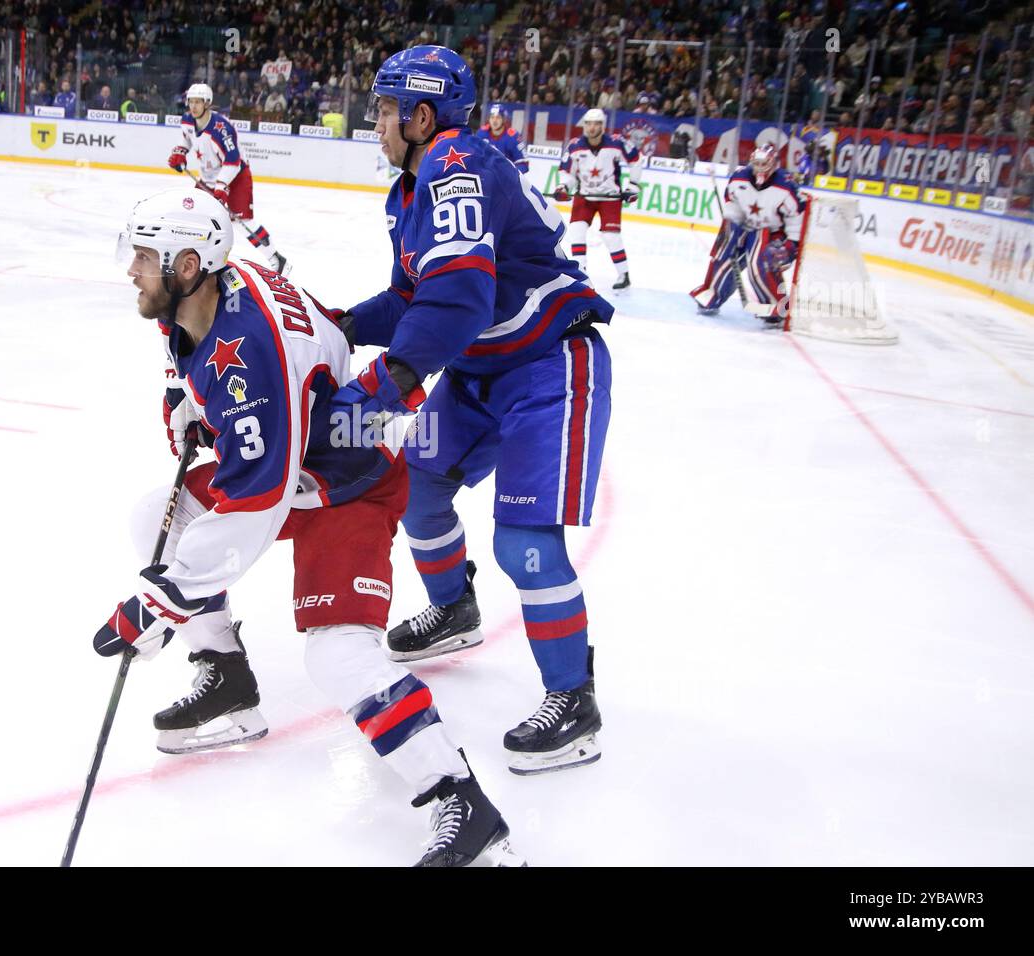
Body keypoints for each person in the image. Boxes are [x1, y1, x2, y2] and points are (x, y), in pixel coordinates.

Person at [95, 186, 522, 867]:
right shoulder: (214, 289)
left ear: (184, 266)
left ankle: (461, 802)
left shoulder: (250, 354)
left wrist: (158, 604)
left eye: (143, 257)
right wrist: (188, 399)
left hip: (350, 487)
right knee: (159, 515)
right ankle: (228, 678)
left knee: (337, 655)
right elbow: (220, 373)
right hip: (297, 462)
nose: (131, 270)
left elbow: (254, 504)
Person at [332, 45, 613, 777]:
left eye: (389, 109)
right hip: (482, 369)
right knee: (420, 488)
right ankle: (454, 611)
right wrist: (341, 323)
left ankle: (573, 701)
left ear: (424, 116)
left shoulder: (456, 164)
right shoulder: (414, 185)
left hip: (547, 366)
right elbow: (411, 299)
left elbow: (457, 299)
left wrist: (382, 385)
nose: (379, 122)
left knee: (524, 543)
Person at [169, 82, 286, 274]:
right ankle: (198, 260)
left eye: (198, 102)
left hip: (236, 176)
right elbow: (186, 140)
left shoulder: (221, 129)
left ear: (207, 103)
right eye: (191, 102)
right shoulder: (188, 121)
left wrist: (222, 187)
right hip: (208, 179)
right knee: (196, 215)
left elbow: (233, 161)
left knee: (242, 222)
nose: (193, 106)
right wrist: (180, 152)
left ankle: (276, 259)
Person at [689, 143, 806, 322]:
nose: (759, 168)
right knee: (724, 258)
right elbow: (733, 204)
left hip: (771, 232)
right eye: (756, 163)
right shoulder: (739, 178)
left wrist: (792, 244)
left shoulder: (787, 185)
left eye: (763, 163)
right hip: (742, 226)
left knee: (760, 265)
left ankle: (776, 306)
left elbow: (796, 219)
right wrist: (732, 226)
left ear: (773, 164)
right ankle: (712, 296)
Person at [554, 108, 643, 291]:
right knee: (577, 232)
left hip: (609, 198)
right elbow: (567, 172)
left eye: (596, 124)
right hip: (584, 196)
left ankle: (623, 274)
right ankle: (581, 273)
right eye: (588, 124)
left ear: (602, 126)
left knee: (611, 237)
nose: (591, 127)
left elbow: (636, 160)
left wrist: (633, 186)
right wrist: (563, 187)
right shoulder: (574, 145)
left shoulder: (617, 143)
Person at [474, 103, 528, 173]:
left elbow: (523, 164)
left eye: (498, 117)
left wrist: (510, 175)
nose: (494, 121)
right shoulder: (481, 133)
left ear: (504, 119)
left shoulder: (513, 136)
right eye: (492, 117)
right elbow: (474, 156)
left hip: (506, 177)